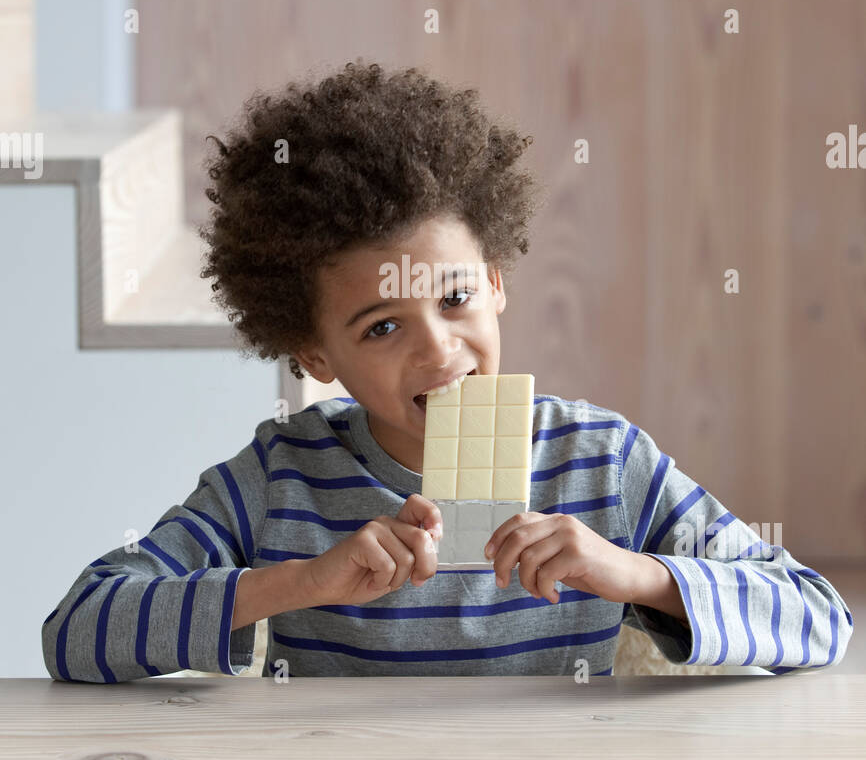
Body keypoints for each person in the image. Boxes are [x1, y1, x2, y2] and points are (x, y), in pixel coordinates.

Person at [42, 61, 853, 681]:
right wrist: (297, 583)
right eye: (384, 325)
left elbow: (820, 618)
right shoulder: (279, 481)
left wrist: (635, 574)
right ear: (314, 354)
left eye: (456, 297)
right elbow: (77, 631)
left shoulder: (604, 465)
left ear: (497, 282)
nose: (438, 350)